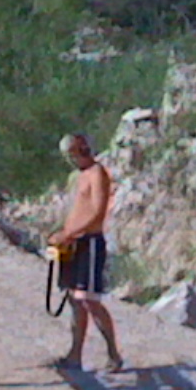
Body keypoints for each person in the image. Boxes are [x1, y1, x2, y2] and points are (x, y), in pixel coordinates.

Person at [48, 132, 124, 372]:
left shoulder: (97, 174)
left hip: (89, 242)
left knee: (88, 300)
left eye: (73, 152)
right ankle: (75, 355)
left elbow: (97, 213)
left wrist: (69, 234)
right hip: (73, 244)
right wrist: (61, 234)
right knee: (74, 299)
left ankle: (113, 354)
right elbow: (78, 210)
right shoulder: (79, 177)